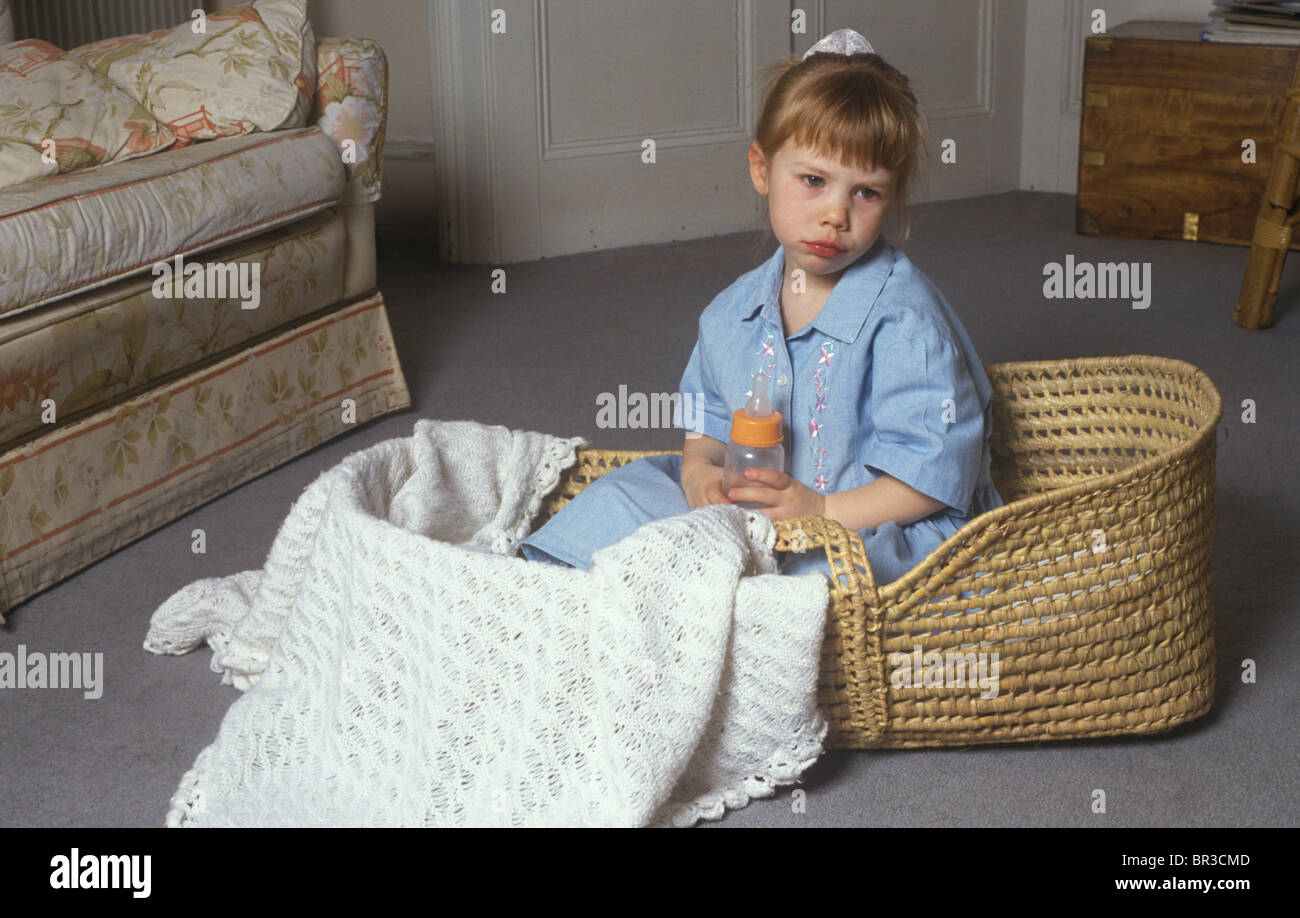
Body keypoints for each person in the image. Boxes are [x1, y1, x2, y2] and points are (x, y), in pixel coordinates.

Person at [520, 27, 1004, 588]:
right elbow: (707, 422)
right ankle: (566, 587)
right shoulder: (733, 312)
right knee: (628, 493)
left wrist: (822, 511)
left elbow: (931, 476)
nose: (836, 214)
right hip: (757, 508)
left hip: (867, 519)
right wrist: (700, 472)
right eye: (814, 180)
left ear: (891, 195)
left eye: (866, 192)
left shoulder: (906, 323)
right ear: (761, 168)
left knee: (824, 580)